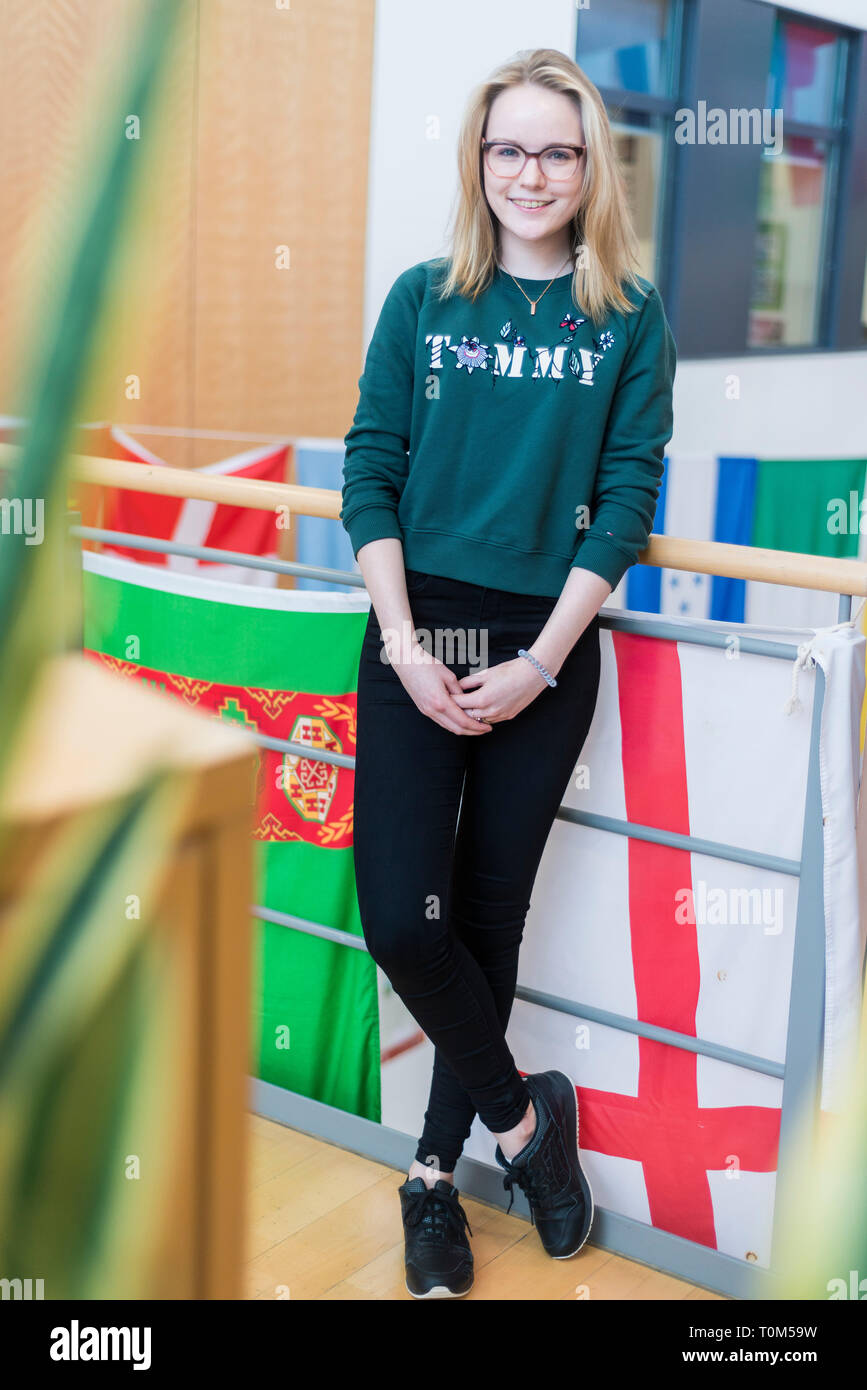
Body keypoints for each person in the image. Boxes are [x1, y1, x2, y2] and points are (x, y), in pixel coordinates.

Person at [340, 47, 676, 1299]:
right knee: (402, 918)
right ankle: (529, 1125)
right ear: (478, 162)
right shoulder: (425, 300)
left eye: (555, 149)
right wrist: (406, 642)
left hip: (545, 648)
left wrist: (541, 660)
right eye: (506, 149)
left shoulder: (629, 317)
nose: (529, 173)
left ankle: (433, 1178)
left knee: (483, 919)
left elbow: (627, 500)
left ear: (589, 166)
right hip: (415, 638)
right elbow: (369, 469)